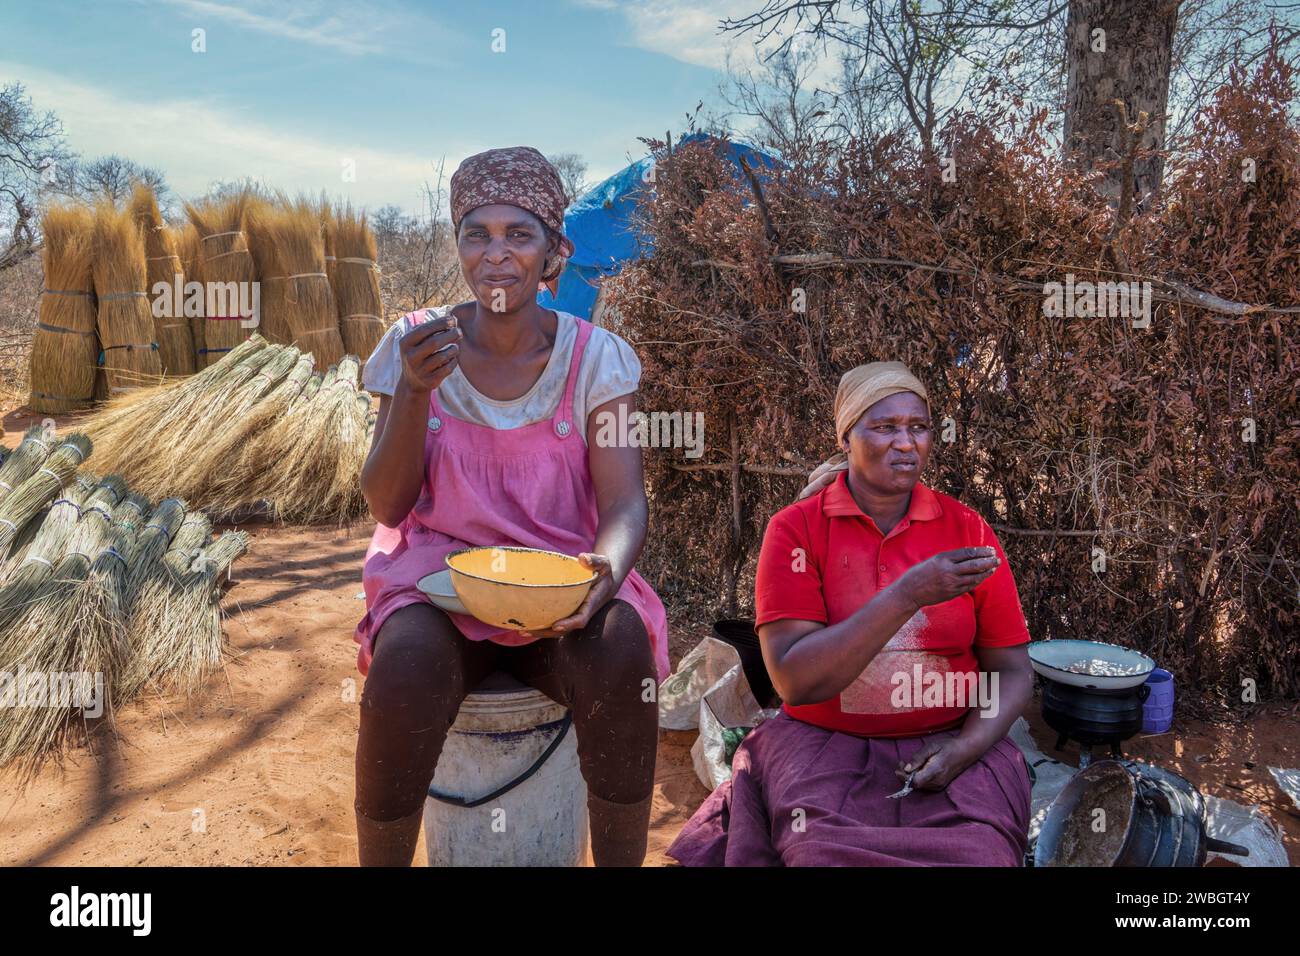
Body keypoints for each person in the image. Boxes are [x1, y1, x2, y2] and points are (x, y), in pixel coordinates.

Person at [353, 146, 668, 867]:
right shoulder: (414, 345)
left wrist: (602, 575)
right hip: (438, 590)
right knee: (403, 667)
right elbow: (389, 503)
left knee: (621, 649)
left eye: (518, 235)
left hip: (556, 596)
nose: (496, 255)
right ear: (458, 245)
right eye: (477, 234)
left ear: (554, 252)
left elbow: (624, 505)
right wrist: (412, 391)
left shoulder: (597, 360)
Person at [667, 361, 1034, 866]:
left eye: (918, 427)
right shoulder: (797, 531)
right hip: (824, 745)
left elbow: (1013, 669)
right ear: (845, 436)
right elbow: (796, 681)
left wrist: (968, 747)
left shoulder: (966, 529)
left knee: (981, 854)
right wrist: (907, 595)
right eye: (884, 427)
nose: (906, 443)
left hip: (950, 745)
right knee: (819, 852)